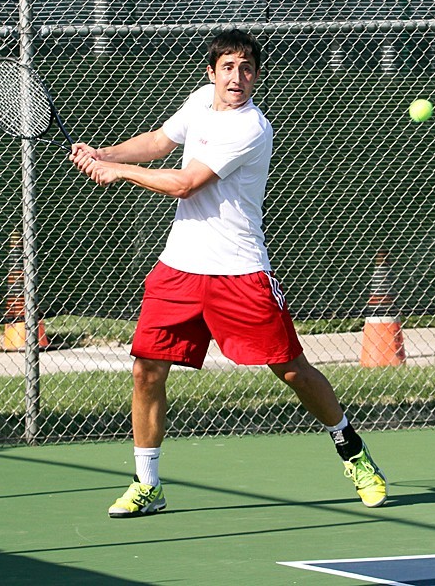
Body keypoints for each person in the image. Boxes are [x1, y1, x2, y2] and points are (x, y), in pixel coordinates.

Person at [69, 28, 387, 518]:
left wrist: (118, 173)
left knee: (291, 369)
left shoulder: (251, 128)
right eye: (227, 67)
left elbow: (185, 184)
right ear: (211, 73)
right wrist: (105, 154)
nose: (236, 77)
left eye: (246, 69)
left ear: (256, 76)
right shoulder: (199, 102)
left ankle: (352, 450)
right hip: (178, 269)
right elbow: (158, 142)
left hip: (238, 273)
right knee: (146, 370)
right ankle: (147, 484)